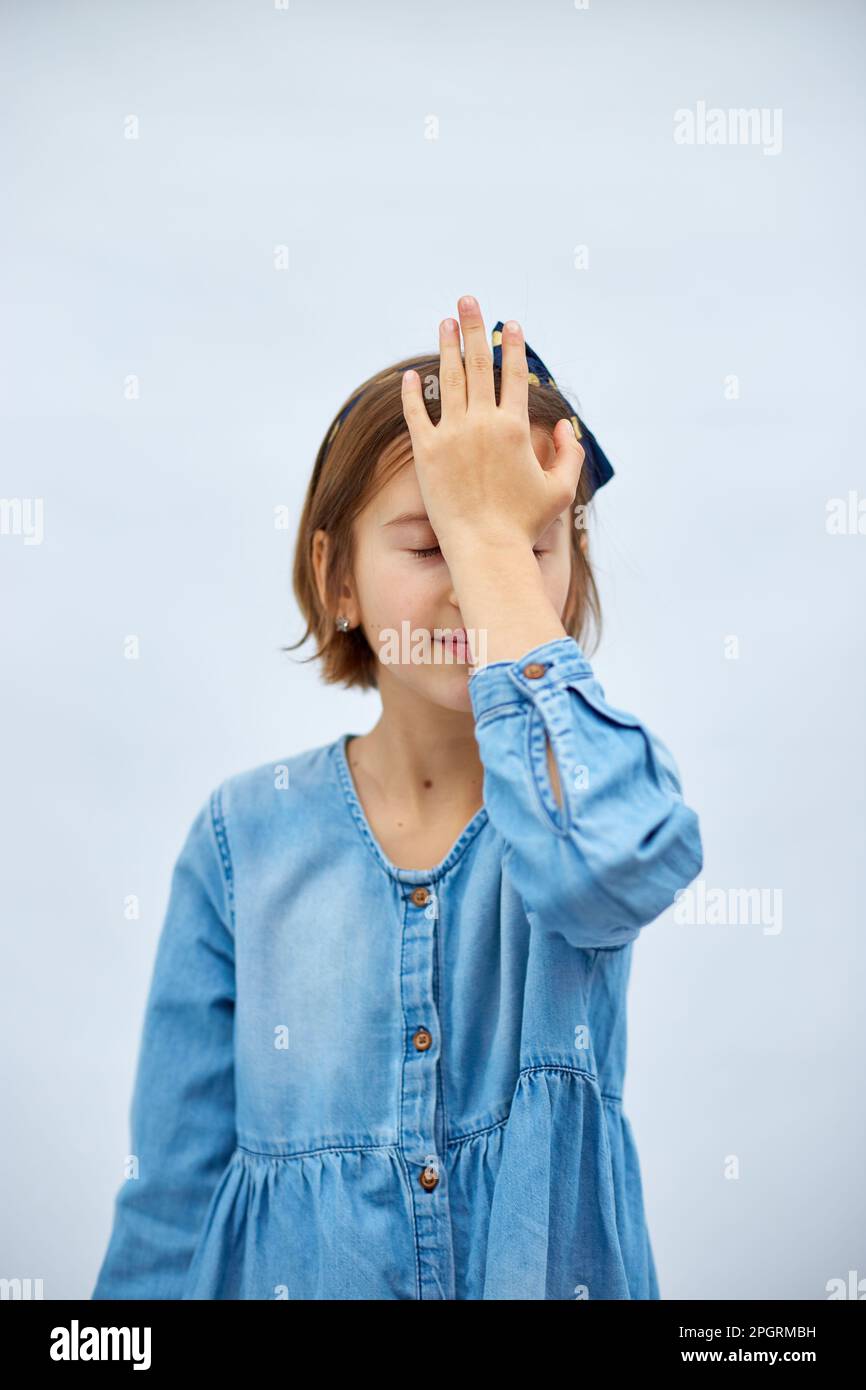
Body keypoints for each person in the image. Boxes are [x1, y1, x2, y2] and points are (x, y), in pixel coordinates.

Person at [92, 295, 702, 1301]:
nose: (467, 586)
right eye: (432, 548)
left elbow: (618, 861)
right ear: (336, 579)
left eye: (511, 550)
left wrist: (492, 540)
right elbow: (169, 1205)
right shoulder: (239, 840)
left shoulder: (580, 798)